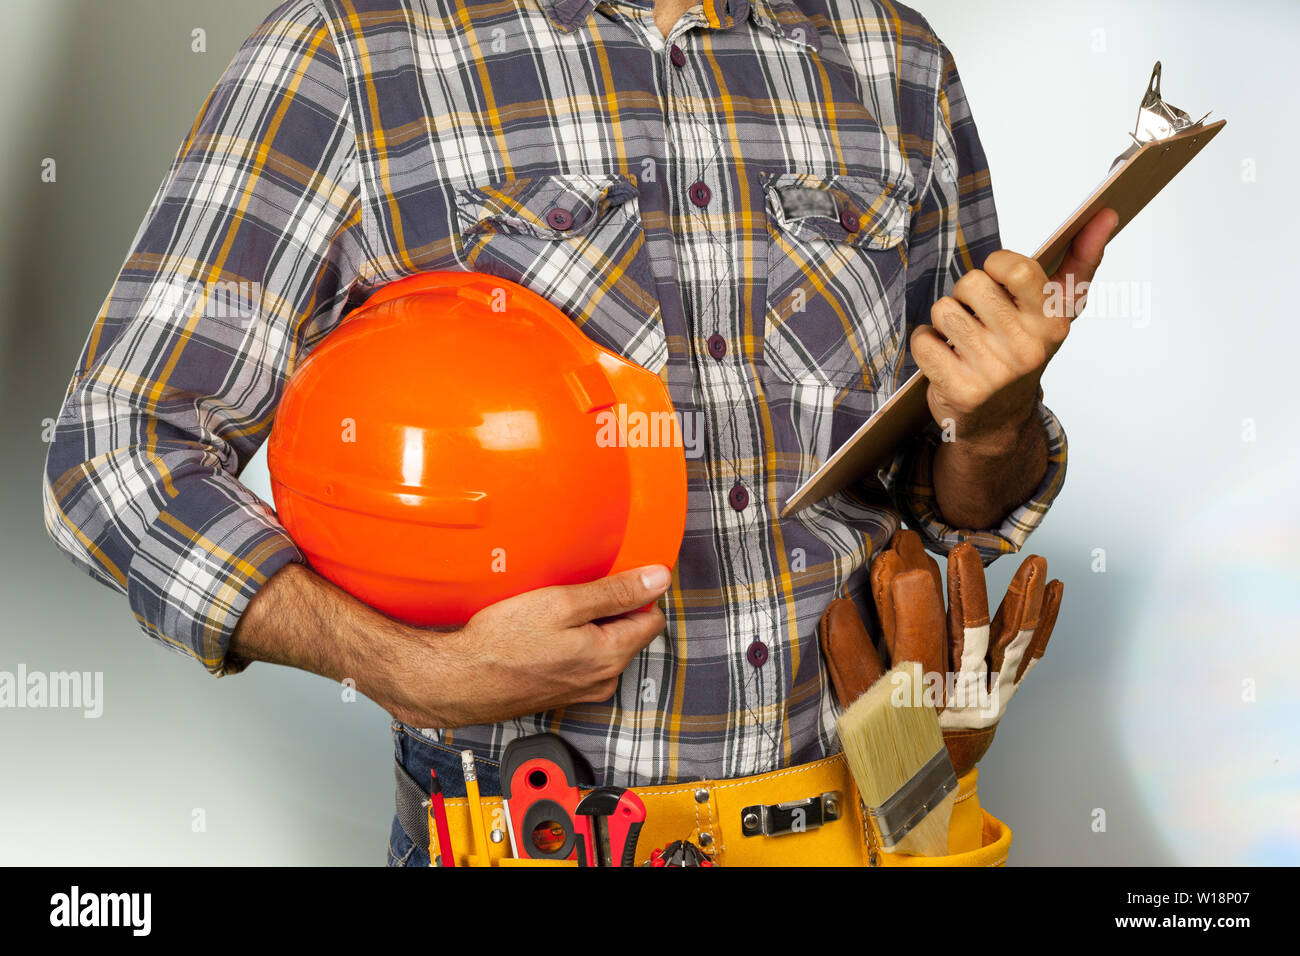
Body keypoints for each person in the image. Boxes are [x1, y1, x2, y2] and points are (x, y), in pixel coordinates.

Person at [42, 0, 1115, 865]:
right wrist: (399, 665)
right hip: (542, 833)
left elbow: (951, 496)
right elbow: (116, 449)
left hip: (875, 816)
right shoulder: (356, 56)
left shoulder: (894, 59)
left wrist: (996, 423)